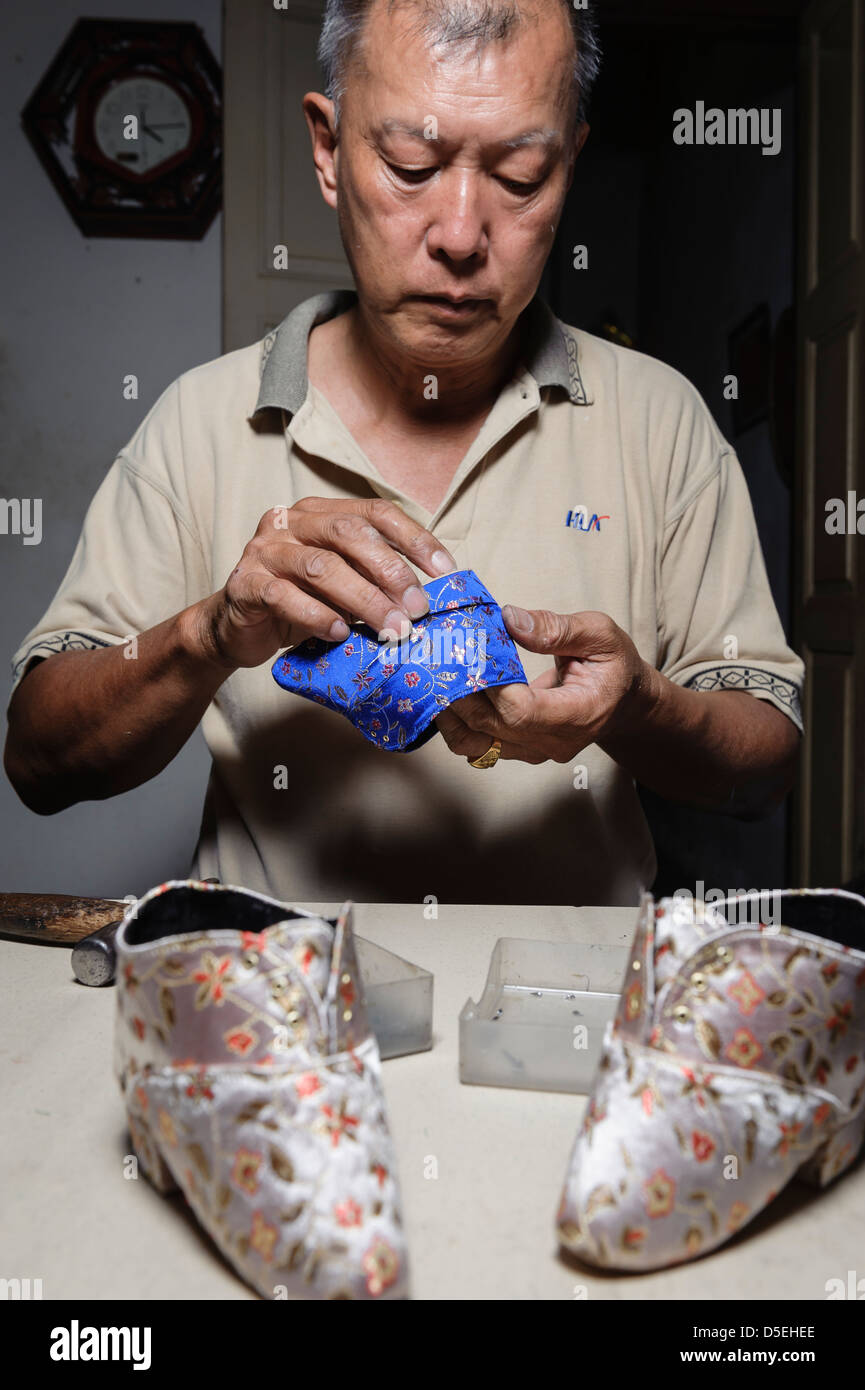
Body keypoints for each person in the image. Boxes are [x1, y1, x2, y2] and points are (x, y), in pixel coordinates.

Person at [4, 0, 803, 906]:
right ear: (326, 147)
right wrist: (211, 633)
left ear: (571, 166)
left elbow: (766, 764)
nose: (460, 236)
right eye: (410, 166)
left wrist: (639, 708)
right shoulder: (201, 422)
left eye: (520, 176)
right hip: (275, 1013)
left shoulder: (662, 423)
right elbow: (38, 761)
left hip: (568, 1020)